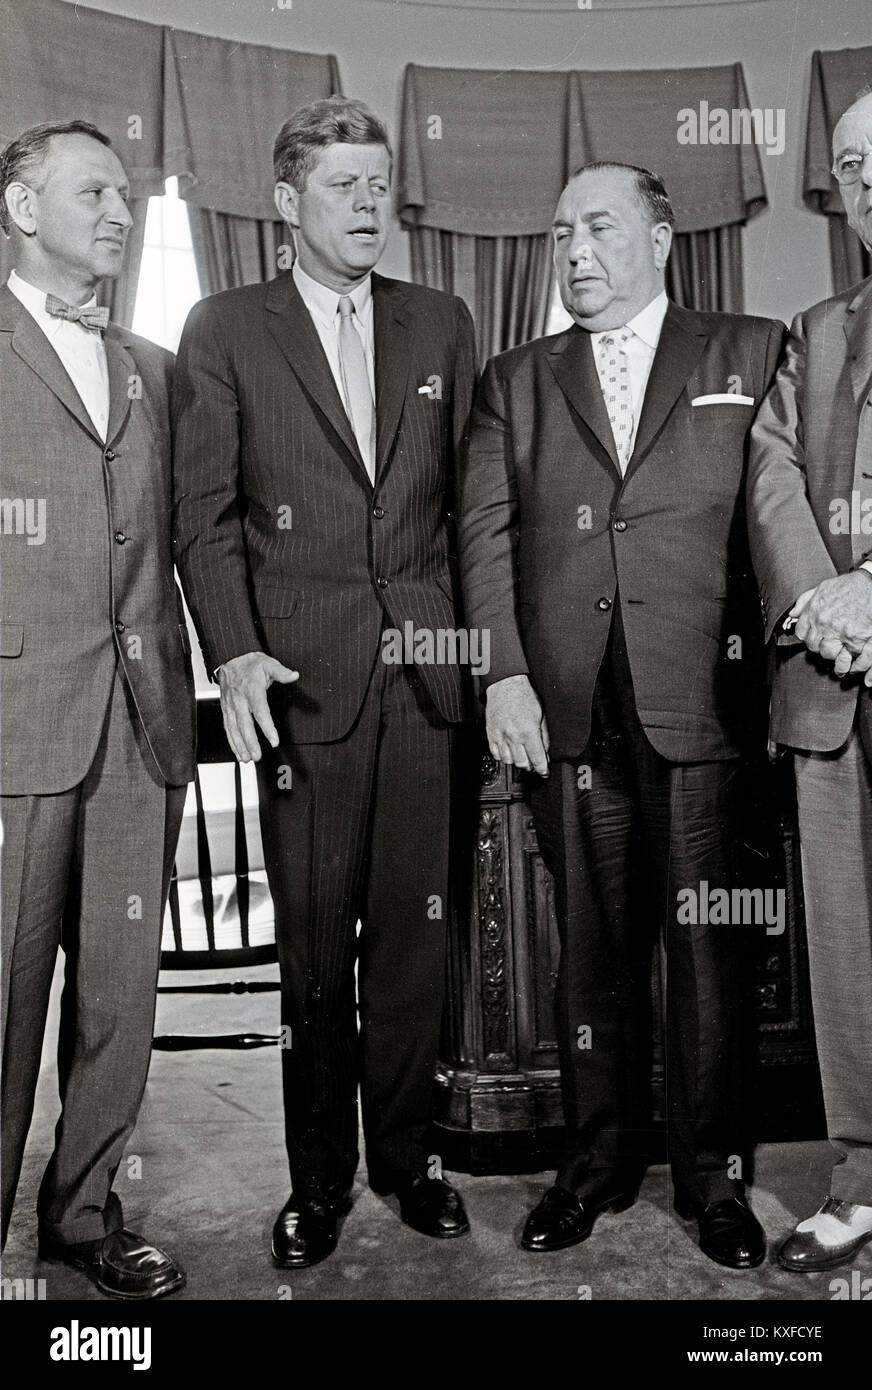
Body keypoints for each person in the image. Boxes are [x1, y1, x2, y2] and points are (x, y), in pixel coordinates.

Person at [459, 161, 785, 1269]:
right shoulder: (514, 378)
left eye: (595, 226)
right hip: (568, 709)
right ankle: (591, 1167)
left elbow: (775, 518)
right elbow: (484, 537)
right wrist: (500, 673)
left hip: (702, 701)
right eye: (557, 233)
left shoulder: (749, 350)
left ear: (656, 235)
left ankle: (715, 1182)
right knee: (588, 960)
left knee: (706, 955)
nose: (573, 251)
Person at [172, 96, 477, 1270]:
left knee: (415, 943)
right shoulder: (223, 326)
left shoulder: (443, 322)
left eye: (379, 183)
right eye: (343, 186)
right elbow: (206, 519)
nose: (367, 204)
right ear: (287, 202)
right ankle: (317, 1182)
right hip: (302, 682)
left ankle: (407, 1164)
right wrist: (235, 647)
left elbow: (466, 511)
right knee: (312, 952)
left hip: (424, 677)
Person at [0, 120, 195, 1298]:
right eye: (94, 193)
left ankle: (83, 1212)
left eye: (127, 196)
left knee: (120, 995)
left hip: (143, 722)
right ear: (21, 211)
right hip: (18, 720)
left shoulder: (152, 367)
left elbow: (179, 539)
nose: (119, 214)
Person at [747, 88, 872, 1273]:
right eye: (846, 164)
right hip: (833, 686)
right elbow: (771, 468)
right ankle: (860, 1175)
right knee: (846, 950)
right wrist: (824, 597)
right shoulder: (816, 329)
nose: (866, 178)